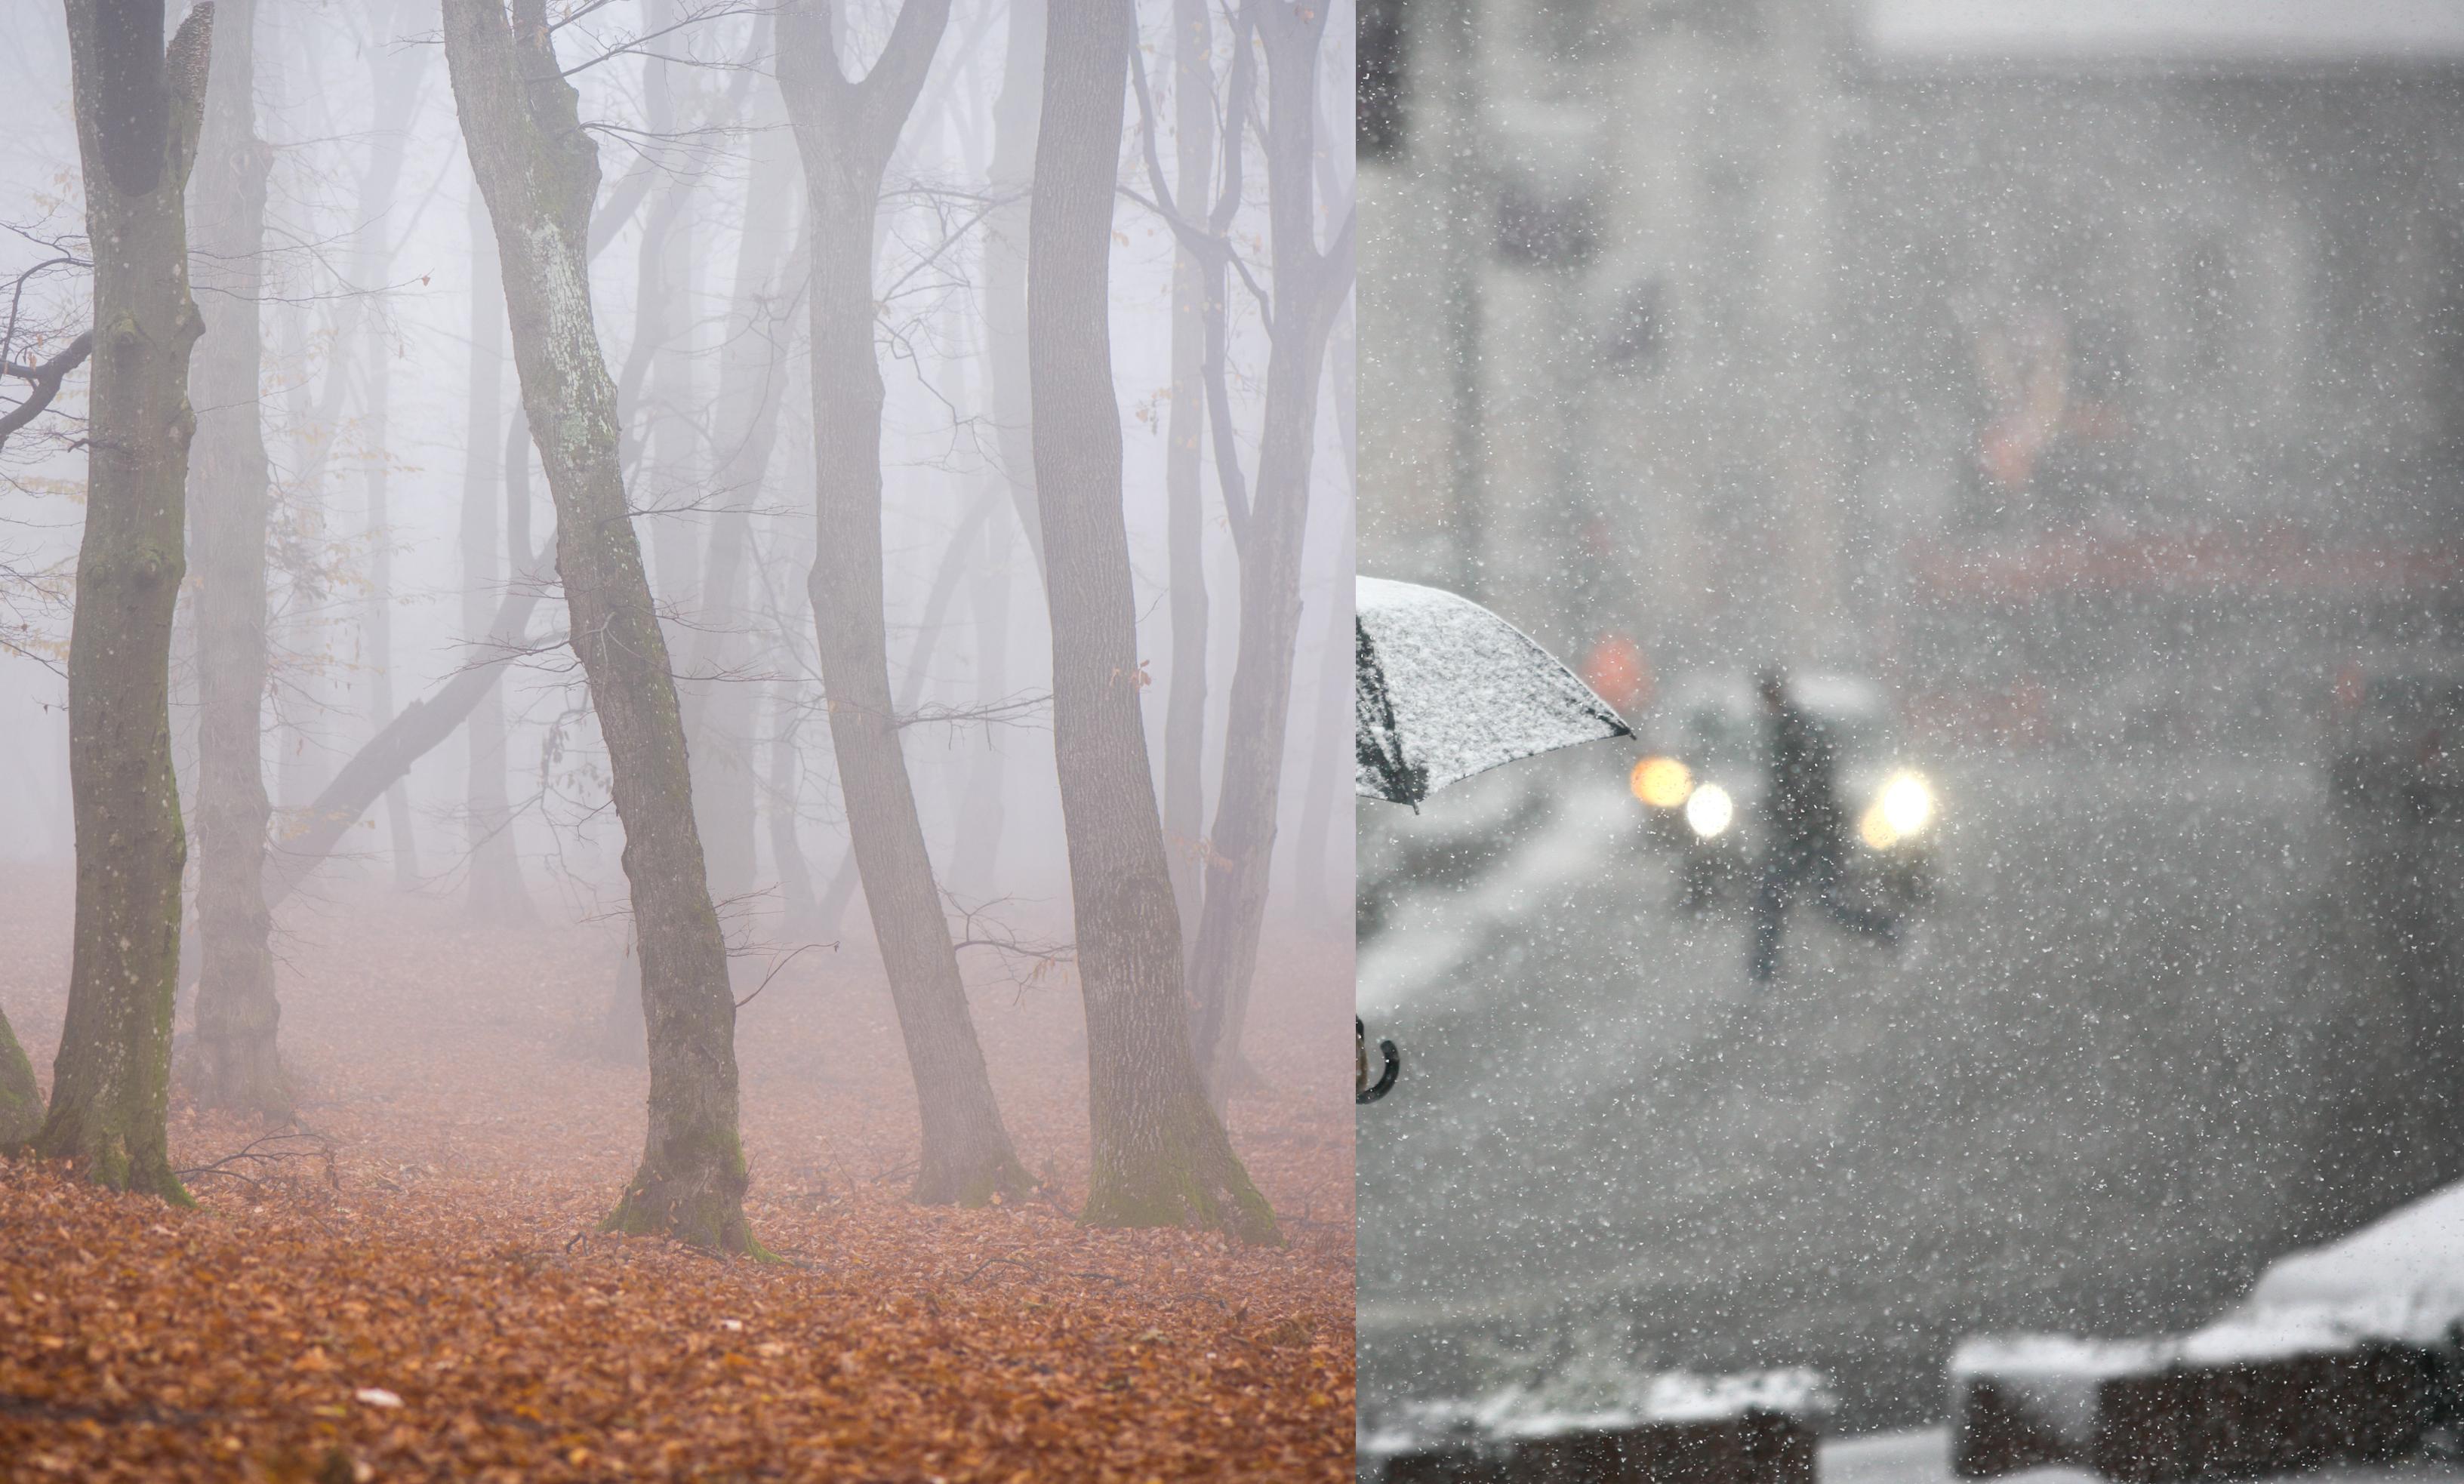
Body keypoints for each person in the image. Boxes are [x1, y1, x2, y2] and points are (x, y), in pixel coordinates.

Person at [1748, 666, 1898, 981]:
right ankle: (1763, 969)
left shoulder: (1793, 731)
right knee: (1812, 902)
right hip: (1809, 834)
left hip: (1807, 835)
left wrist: (1791, 816)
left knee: (1791, 901)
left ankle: (1763, 970)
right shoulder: (1791, 728)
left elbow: (1807, 786)